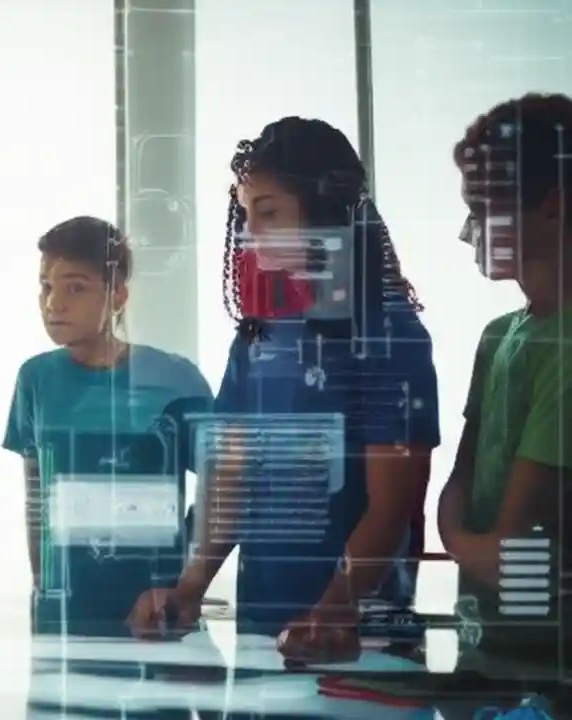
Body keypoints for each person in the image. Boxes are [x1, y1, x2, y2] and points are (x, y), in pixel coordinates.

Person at [128, 117, 441, 664]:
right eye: (245, 215)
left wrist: (335, 609)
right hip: (259, 633)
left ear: (326, 208)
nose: (250, 233)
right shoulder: (258, 335)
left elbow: (394, 506)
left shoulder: (390, 333)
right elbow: (230, 474)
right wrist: (189, 587)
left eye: (268, 212)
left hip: (359, 644)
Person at [2, 215, 213, 637]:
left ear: (118, 294)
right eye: (46, 286)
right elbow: (37, 498)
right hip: (61, 617)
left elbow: (224, 490)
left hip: (154, 616)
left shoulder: (174, 379)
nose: (53, 303)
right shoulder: (34, 379)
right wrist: (43, 589)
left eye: (75, 287)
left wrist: (185, 583)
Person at [438, 93, 572, 669]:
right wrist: (473, 549)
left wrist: (470, 546)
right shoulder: (498, 335)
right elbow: (459, 482)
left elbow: (510, 535)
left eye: (483, 206)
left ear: (552, 205)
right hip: (482, 633)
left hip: (550, 649)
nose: (469, 229)